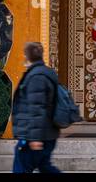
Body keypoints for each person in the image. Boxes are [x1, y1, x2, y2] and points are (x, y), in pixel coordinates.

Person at [10, 42, 62, 173]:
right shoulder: (44, 73)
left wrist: (35, 138)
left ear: (27, 56)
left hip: (35, 136)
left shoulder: (36, 77)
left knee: (21, 168)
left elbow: (37, 109)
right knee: (45, 167)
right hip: (45, 133)